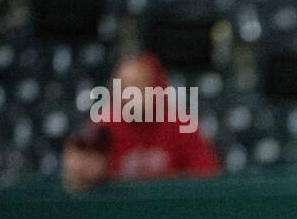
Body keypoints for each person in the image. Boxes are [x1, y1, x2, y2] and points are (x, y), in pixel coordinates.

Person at [61, 53, 220, 192]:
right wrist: (83, 174)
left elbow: (206, 180)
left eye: (138, 84)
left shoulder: (181, 125)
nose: (130, 93)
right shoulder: (104, 124)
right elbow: (83, 174)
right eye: (123, 86)